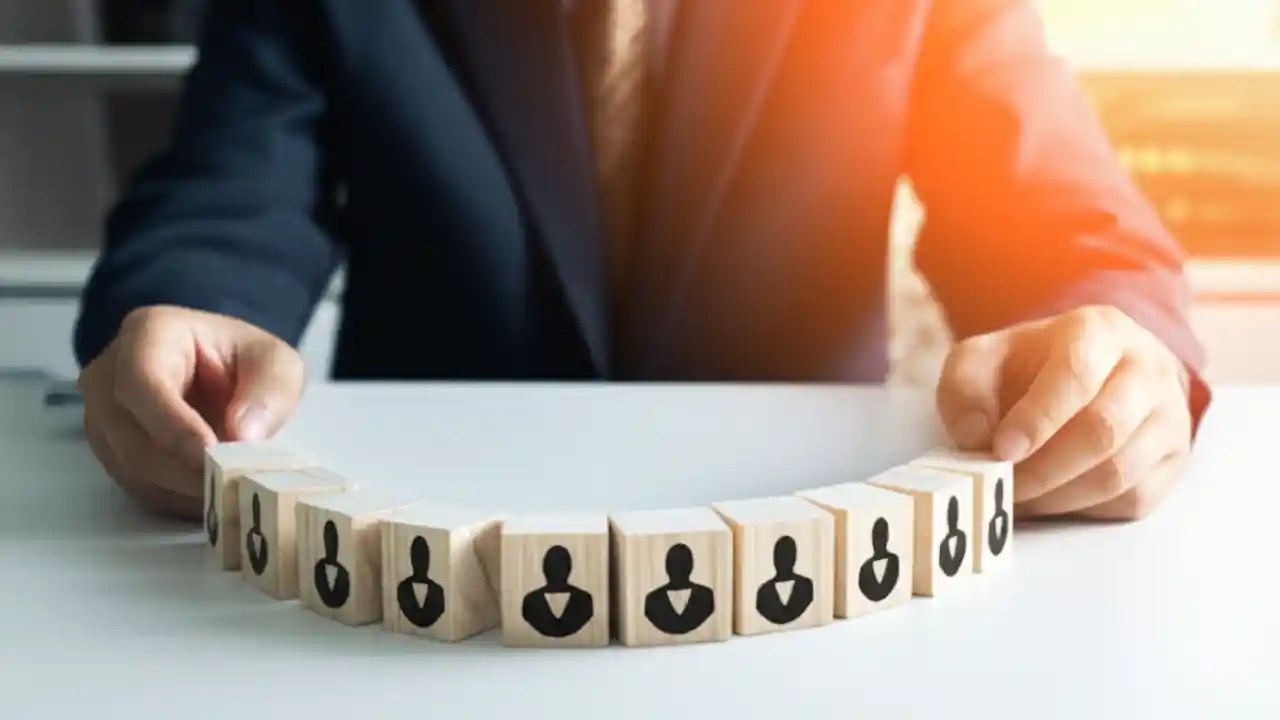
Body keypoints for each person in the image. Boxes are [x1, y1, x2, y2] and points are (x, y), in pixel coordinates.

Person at [74, 0, 1210, 523]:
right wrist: (182, 314)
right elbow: (229, 191)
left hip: (803, 564)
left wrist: (1120, 349)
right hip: (416, 544)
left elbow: (1061, 217)